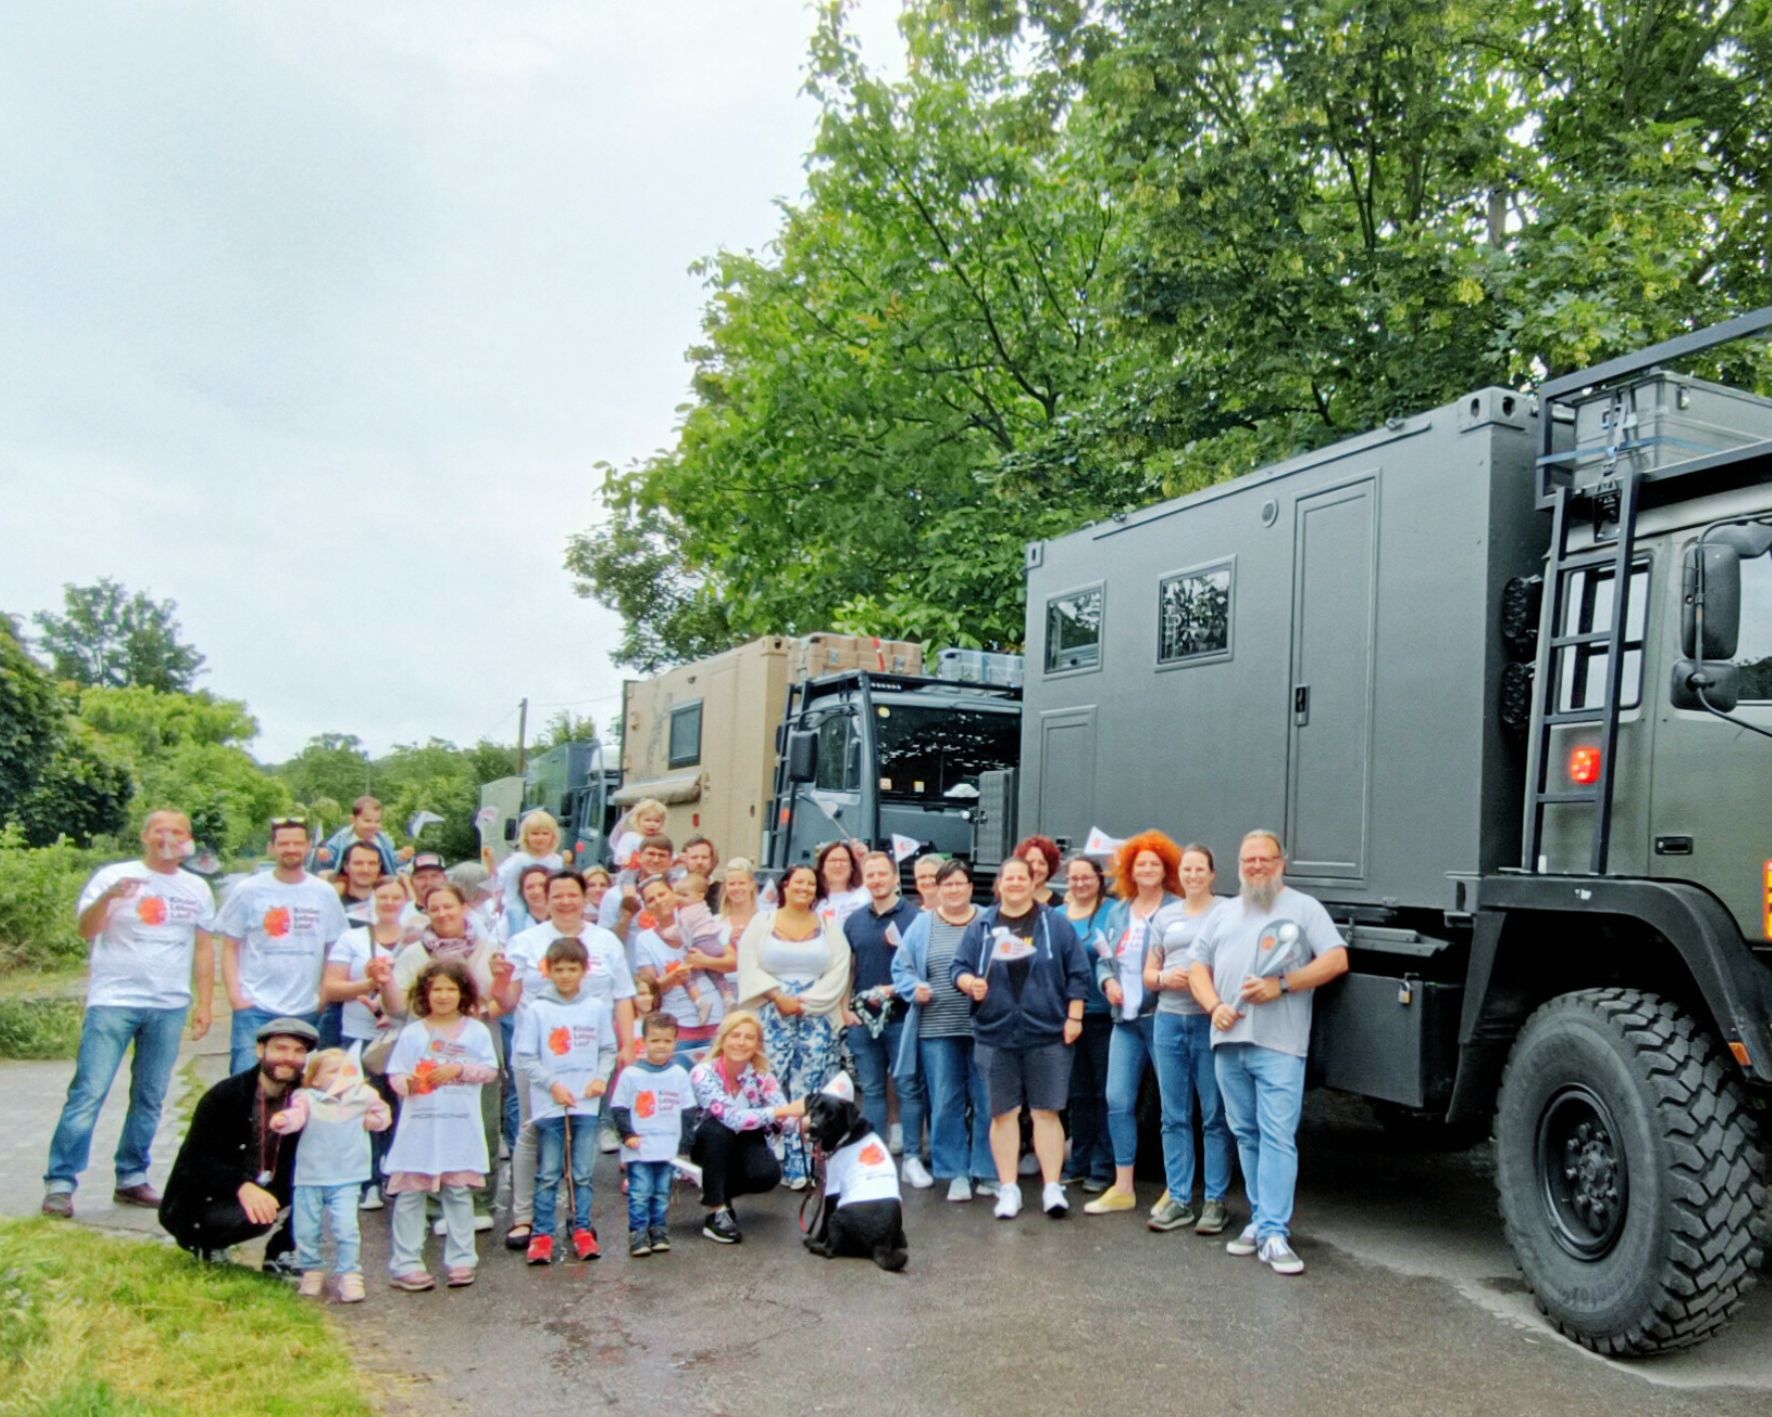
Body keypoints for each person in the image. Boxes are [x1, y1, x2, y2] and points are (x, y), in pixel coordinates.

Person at [1189, 830, 1350, 1276]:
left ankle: (1276, 1231)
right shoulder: (1223, 913)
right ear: (1239, 866)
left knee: (1277, 1136)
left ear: (1281, 863)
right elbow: (1197, 966)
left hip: (1280, 1044)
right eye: (1248, 860)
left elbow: (1336, 959)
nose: (1256, 866)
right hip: (1228, 1044)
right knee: (1246, 1134)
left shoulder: (1303, 908)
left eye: (1265, 859)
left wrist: (1281, 986)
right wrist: (1214, 1006)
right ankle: (1260, 1222)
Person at [42, 809, 217, 1219]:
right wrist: (109, 897)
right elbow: (86, 930)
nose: (168, 838)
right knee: (89, 1091)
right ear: (144, 836)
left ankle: (132, 1177)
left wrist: (205, 1003)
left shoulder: (196, 888)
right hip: (114, 1000)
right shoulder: (114, 876)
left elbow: (204, 947)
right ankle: (61, 1183)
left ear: (189, 839)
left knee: (151, 1096)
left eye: (177, 831)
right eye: (160, 831)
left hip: (169, 1003)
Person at [502, 869, 637, 1249]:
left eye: (572, 894)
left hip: (589, 1057)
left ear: (585, 897)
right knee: (534, 1131)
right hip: (539, 1060)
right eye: (556, 894)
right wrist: (497, 982)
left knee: (583, 1134)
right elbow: (508, 1001)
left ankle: (578, 1219)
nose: (564, 901)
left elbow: (623, 995)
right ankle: (525, 1218)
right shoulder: (526, 941)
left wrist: (627, 1046)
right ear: (544, 898)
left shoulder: (605, 941)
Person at [951, 856, 1090, 1221]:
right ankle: (1009, 1188)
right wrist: (970, 984)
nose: (1014, 883)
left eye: (1020, 878)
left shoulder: (1055, 925)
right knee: (1003, 1114)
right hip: (996, 1032)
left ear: (1032, 882)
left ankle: (1052, 1188)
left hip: (1046, 1032)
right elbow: (959, 968)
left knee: (1047, 1111)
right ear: (999, 884)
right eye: (1007, 878)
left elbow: (1078, 973)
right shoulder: (981, 925)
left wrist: (1074, 1016)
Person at [1084, 832, 1188, 1217]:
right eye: (1140, 863)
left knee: (1173, 1108)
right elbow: (1103, 958)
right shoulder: (1117, 911)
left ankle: (1174, 1189)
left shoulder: (1176, 909)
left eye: (1154, 864)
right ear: (1129, 870)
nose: (1147, 869)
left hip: (1162, 1020)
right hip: (1124, 1023)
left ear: (1165, 869)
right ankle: (1123, 1186)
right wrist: (1107, 982)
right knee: (1118, 1100)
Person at [159, 1016, 318, 1269]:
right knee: (252, 1217)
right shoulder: (226, 1095)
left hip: (275, 1184)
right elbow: (197, 1161)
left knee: (330, 1186)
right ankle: (210, 1242)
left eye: (298, 1051)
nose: (289, 1058)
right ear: (260, 1050)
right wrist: (241, 1186)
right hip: (214, 1195)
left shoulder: (309, 1099)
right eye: (280, 1048)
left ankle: (281, 1251)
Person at [384, 959, 499, 1291]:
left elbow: (489, 1071)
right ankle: (405, 1262)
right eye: (437, 989)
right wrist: (409, 1084)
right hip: (420, 1125)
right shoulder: (413, 1032)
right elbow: (396, 1074)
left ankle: (462, 1259)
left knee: (458, 1190)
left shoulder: (476, 1031)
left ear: (463, 993)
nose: (444, 995)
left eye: (452, 988)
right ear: (425, 993)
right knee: (410, 1192)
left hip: (458, 1125)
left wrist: (458, 1070)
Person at [735, 863, 851, 1188]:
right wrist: (777, 996)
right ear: (786, 885)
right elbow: (748, 962)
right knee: (770, 1084)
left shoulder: (829, 927)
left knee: (808, 1089)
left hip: (815, 1014)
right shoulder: (763, 922)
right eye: (799, 882)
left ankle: (802, 1165)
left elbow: (839, 970)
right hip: (771, 1010)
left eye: (811, 884)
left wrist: (807, 1002)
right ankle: (766, 1159)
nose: (804, 888)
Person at [1144, 843, 1235, 1235]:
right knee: (1173, 1114)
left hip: (1207, 1022)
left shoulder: (1227, 912)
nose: (1193, 876)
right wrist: (1165, 979)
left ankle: (1215, 1201)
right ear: (1178, 875)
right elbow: (1149, 972)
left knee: (1215, 1115)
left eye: (1200, 869)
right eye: (1187, 870)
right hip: (1168, 1021)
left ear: (1212, 874)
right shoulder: (1165, 916)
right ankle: (1179, 1199)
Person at [891, 858, 993, 1203]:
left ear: (969, 887)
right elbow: (901, 969)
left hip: (984, 1027)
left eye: (959, 883)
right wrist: (914, 988)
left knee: (987, 1100)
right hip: (936, 1028)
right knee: (946, 1100)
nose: (953, 890)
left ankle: (986, 1170)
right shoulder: (922, 926)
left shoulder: (987, 920)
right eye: (946, 884)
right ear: (936, 888)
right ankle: (955, 1173)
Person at [514, 936, 618, 1265]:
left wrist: (601, 1077)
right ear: (548, 971)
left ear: (584, 970)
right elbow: (527, 1057)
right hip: (551, 1103)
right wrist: (553, 1085)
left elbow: (607, 1049)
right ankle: (543, 1233)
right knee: (548, 1172)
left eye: (572, 969)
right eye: (559, 969)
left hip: (585, 1103)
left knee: (583, 1172)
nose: (565, 975)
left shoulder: (596, 1007)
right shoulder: (538, 1009)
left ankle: (582, 1228)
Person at [219, 818, 348, 1075]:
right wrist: (236, 996)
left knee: (299, 1086)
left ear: (309, 846)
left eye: (297, 843)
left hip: (307, 1008)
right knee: (246, 1083)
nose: (291, 849)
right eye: (284, 843)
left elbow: (336, 950)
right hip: (255, 1008)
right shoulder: (249, 890)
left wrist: (322, 997)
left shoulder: (324, 893)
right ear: (272, 847)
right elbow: (230, 946)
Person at [267, 1047, 392, 1302]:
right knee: (306, 1228)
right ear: (315, 1079)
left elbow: (384, 1114)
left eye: (346, 1070)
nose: (341, 1076)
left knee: (346, 1227)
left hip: (347, 1175)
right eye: (333, 1071)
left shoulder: (363, 1096)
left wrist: (375, 1121)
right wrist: (283, 1121)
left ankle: (350, 1274)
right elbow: (297, 1117)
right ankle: (311, 1269)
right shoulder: (308, 1098)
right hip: (310, 1176)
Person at [843, 851, 930, 1188]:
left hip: (903, 1018)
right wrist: (845, 1008)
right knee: (873, 1090)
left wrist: (894, 988)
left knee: (908, 1087)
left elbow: (923, 968)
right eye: (871, 874)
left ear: (896, 878)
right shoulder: (854, 921)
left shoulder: (917, 918)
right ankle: (874, 1156)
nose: (876, 880)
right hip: (864, 1020)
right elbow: (847, 969)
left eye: (883, 874)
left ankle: (911, 1158)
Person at [321, 873, 407, 1206]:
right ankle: (366, 1180)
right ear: (371, 901)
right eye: (382, 897)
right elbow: (332, 987)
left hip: (402, 1038)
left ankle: (395, 1174)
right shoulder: (352, 939)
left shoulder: (416, 939)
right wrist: (367, 985)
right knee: (361, 1105)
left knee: (400, 1107)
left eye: (395, 897)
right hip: (359, 1036)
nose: (388, 903)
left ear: (405, 901)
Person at [688, 1010, 805, 1243]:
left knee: (768, 1174)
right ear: (723, 1039)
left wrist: (808, 1122)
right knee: (718, 1129)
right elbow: (732, 1118)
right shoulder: (703, 1072)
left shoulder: (761, 1074)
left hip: (744, 1140)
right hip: (706, 1141)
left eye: (749, 1037)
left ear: (757, 1044)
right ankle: (715, 1212)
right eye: (735, 1035)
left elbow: (785, 1115)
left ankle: (717, 1190)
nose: (741, 1042)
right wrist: (785, 1111)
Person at [609, 1011, 696, 1257]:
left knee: (661, 1191)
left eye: (667, 1041)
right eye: (655, 1040)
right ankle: (638, 1234)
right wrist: (627, 1135)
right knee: (640, 1191)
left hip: (667, 1147)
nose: (661, 1046)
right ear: (644, 1042)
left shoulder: (679, 1074)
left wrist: (684, 1144)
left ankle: (659, 1230)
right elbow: (619, 1107)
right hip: (640, 1147)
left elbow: (688, 1110)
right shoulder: (631, 1075)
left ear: (675, 1042)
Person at [1059, 854, 1115, 1195]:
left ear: (1099, 879)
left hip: (1104, 1016)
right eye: (1074, 878)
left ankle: (1102, 1165)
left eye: (1086, 877)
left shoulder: (1113, 912)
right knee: (1077, 1095)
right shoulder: (1057, 917)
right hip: (1066, 1018)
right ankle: (1077, 1162)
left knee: (1104, 1095)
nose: (1080, 884)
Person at [632, 875, 722, 1044]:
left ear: (673, 893)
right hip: (676, 1025)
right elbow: (652, 988)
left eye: (662, 894)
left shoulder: (701, 920)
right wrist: (674, 977)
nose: (658, 901)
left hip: (716, 1019)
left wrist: (705, 961)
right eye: (651, 900)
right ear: (646, 908)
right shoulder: (644, 940)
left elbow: (729, 963)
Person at [485, 810, 564, 923]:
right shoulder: (518, 860)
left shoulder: (558, 862)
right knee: (517, 915)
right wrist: (490, 862)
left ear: (553, 836)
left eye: (545, 833)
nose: (540, 838)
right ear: (526, 837)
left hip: (548, 905)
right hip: (519, 904)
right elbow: (499, 880)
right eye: (535, 834)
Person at [314, 796, 407, 878]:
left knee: (390, 882)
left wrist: (401, 856)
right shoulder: (342, 838)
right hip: (348, 879)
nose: (373, 825)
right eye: (367, 821)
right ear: (353, 820)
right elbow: (331, 859)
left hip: (376, 877)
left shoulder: (383, 840)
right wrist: (325, 857)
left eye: (377, 821)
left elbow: (391, 860)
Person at [814, 840, 869, 932]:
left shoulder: (865, 894)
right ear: (822, 867)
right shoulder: (813, 901)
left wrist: (865, 859)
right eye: (832, 860)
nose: (838, 865)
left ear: (852, 866)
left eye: (843, 860)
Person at [399, 852, 450, 932]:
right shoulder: (400, 915)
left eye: (434, 876)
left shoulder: (460, 912)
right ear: (411, 881)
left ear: (445, 879)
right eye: (421, 877)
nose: (428, 882)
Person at [1013, 835, 1064, 908]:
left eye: (1042, 863)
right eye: (1030, 862)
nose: (1035, 868)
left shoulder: (1060, 906)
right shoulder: (1008, 901)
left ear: (1050, 868)